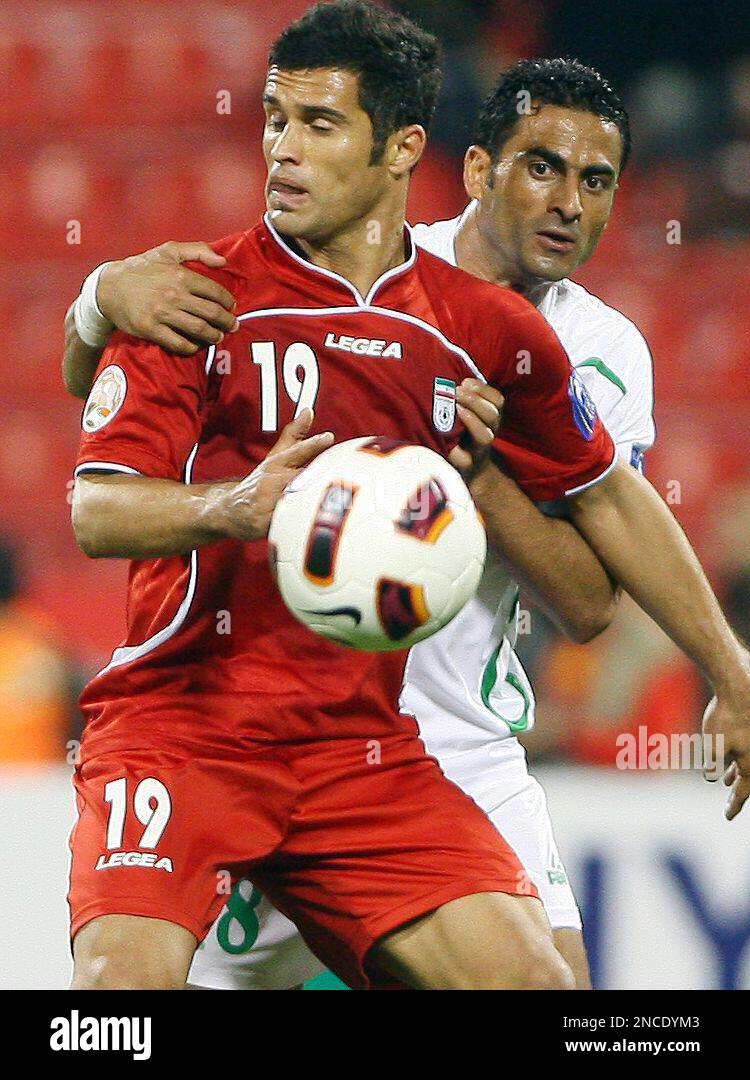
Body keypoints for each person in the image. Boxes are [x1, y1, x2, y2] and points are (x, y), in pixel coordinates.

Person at [63, 2, 750, 991]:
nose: (283, 150)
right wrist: (227, 494)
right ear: (471, 170)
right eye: (273, 120)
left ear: (399, 150)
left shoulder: (502, 334)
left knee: (552, 997)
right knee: (119, 1002)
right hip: (191, 727)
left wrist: (730, 667)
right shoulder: (200, 292)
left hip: (387, 746)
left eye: (318, 124)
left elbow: (606, 524)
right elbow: (96, 504)